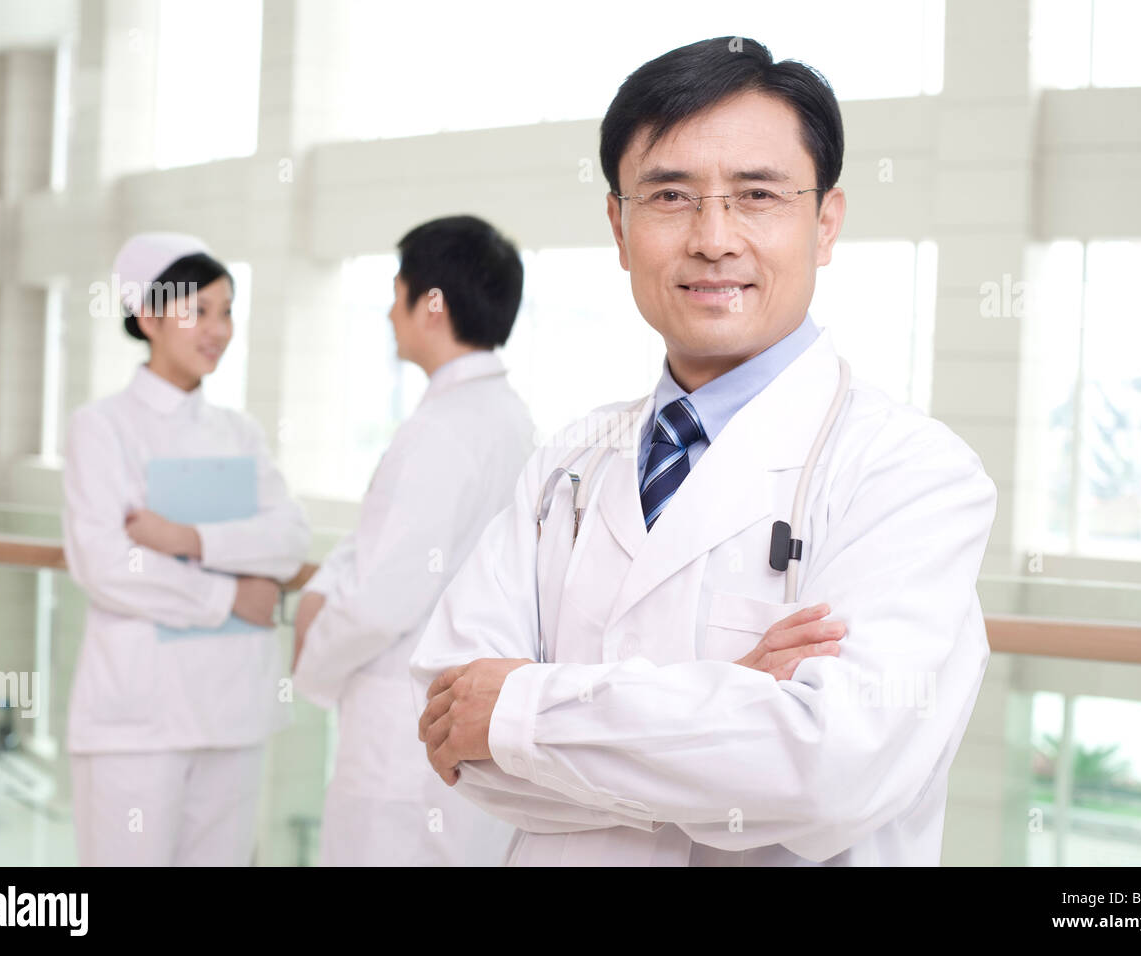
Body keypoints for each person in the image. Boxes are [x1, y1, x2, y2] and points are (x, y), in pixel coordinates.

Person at [412, 38, 998, 866]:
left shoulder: (911, 475)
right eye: (671, 196)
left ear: (824, 223)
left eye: (757, 195)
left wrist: (522, 712)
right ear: (619, 226)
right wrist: (730, 701)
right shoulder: (569, 460)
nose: (713, 238)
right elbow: (449, 728)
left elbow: (827, 773)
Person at [64, 233, 311, 866]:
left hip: (234, 715)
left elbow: (288, 541)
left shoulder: (241, 433)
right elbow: (109, 566)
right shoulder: (102, 429)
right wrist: (232, 592)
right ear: (148, 318)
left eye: (225, 311)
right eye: (196, 311)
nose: (218, 329)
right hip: (139, 721)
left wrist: (184, 539)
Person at [293, 215, 533, 865]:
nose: (388, 311)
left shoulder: (442, 429)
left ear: (430, 305)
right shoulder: (509, 417)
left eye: (396, 291)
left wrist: (310, 653)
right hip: (458, 739)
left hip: (400, 742)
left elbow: (379, 598)